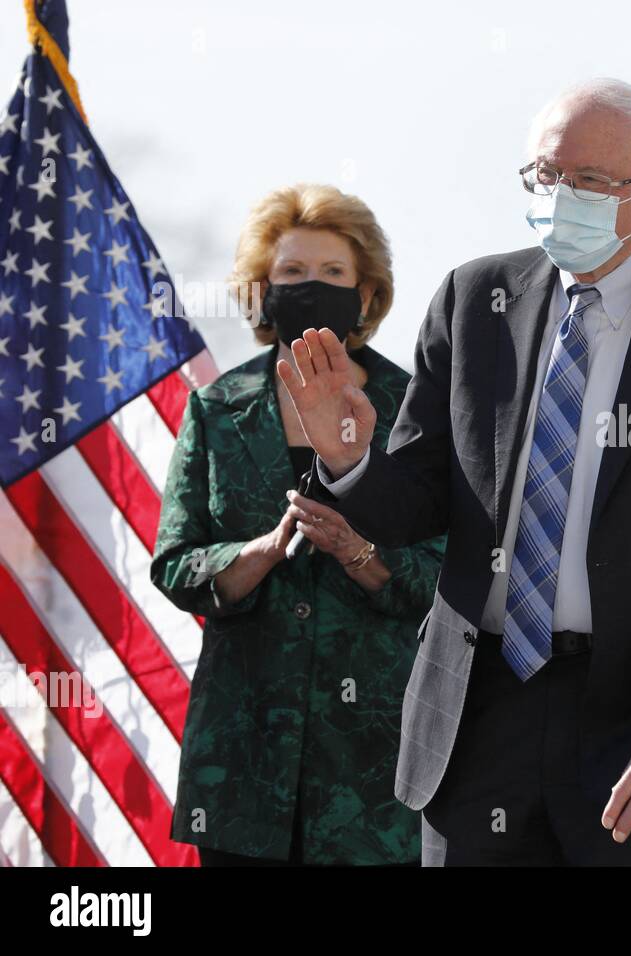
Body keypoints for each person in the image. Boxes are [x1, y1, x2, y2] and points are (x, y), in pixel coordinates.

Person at [279, 78, 631, 865]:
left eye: (589, 181)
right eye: (544, 176)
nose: (560, 197)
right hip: (479, 716)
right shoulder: (474, 299)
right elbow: (419, 499)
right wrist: (347, 457)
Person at [151, 184, 446, 865]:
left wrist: (358, 552)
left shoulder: (416, 409)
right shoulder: (217, 409)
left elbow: (449, 574)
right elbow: (174, 561)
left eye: (333, 274)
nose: (311, 288)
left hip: (374, 775)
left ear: (366, 296)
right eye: (291, 274)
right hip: (241, 767)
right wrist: (257, 553)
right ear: (261, 292)